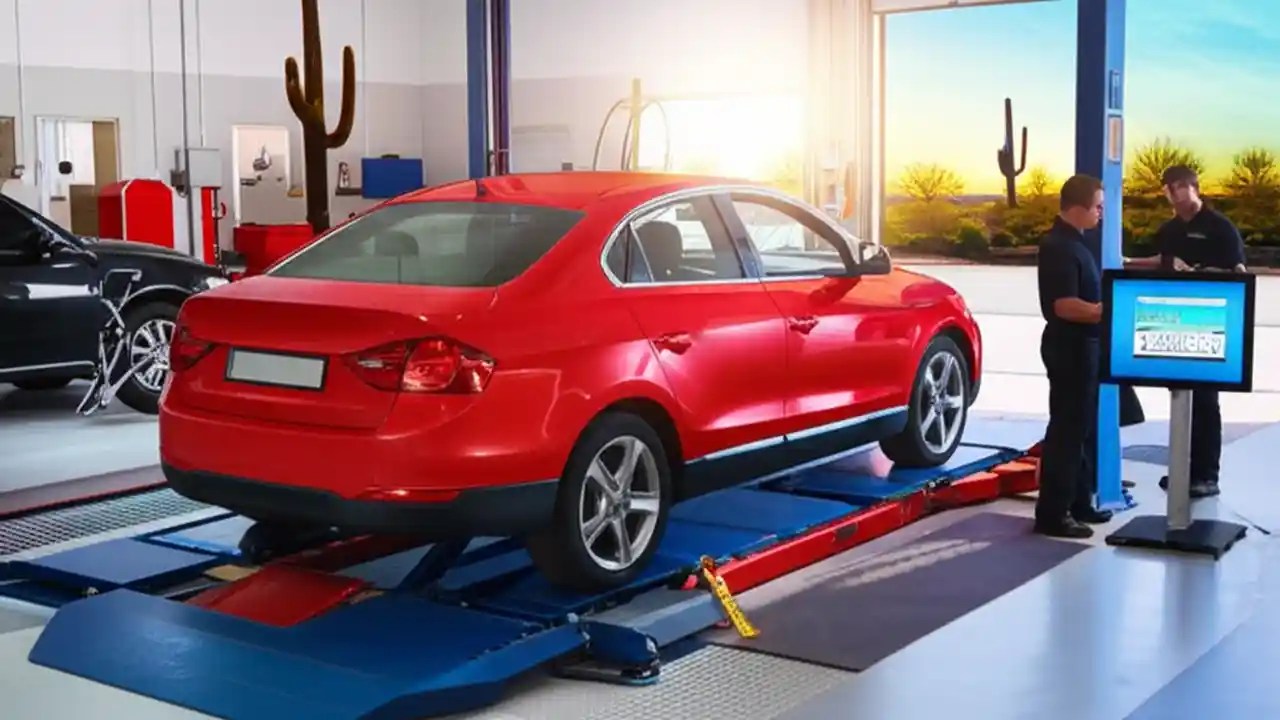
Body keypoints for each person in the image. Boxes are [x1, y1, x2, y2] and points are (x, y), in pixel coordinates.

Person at [1125, 165, 1246, 497]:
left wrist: (1204, 272)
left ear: (1195, 187)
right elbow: (1163, 260)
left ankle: (1207, 474)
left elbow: (1238, 272)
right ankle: (1183, 470)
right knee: (1180, 398)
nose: (1175, 194)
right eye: (1169, 188)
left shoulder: (1220, 228)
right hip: (1174, 322)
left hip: (1210, 326)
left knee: (1205, 401)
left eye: (1181, 187)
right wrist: (1126, 262)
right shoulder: (1170, 230)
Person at [1034, 174, 1115, 538]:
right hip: (1069, 349)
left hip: (1085, 347)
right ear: (1079, 208)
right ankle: (1053, 513)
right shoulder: (1058, 247)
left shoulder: (1077, 244)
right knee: (1066, 431)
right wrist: (1105, 311)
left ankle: (1079, 501)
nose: (1101, 213)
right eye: (1098, 206)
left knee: (1081, 428)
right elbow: (1063, 305)